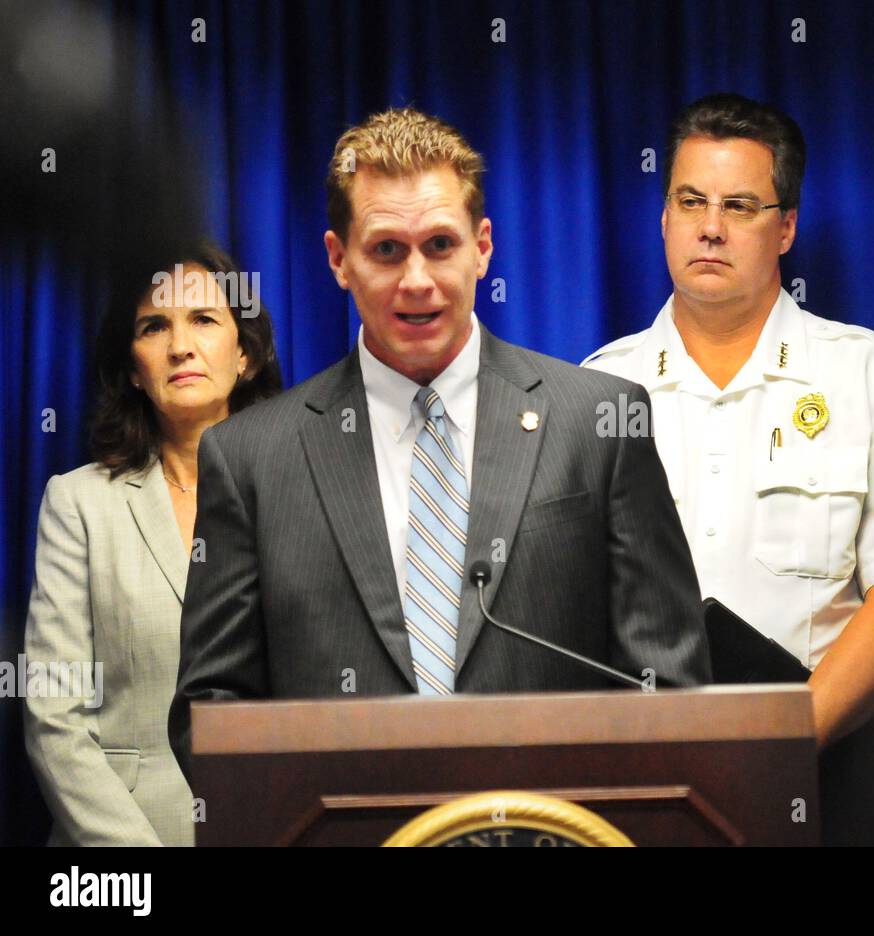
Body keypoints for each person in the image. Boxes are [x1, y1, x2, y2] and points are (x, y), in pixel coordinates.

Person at [168, 108, 711, 779]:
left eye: (440, 246)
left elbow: (670, 690)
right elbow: (208, 716)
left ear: (483, 247)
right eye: (387, 250)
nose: (417, 279)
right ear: (339, 259)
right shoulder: (251, 459)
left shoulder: (599, 423)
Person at [583, 94, 874, 749]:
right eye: (690, 201)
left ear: (787, 227)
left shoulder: (873, 376)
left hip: (823, 767)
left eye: (739, 206)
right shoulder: (597, 388)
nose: (710, 227)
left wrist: (781, 752)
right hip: (644, 767)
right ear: (663, 219)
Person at [24, 242, 282, 845]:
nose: (180, 345)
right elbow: (54, 718)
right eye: (154, 326)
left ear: (243, 352)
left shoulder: (301, 497)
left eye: (203, 320)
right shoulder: (78, 504)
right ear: (135, 368)